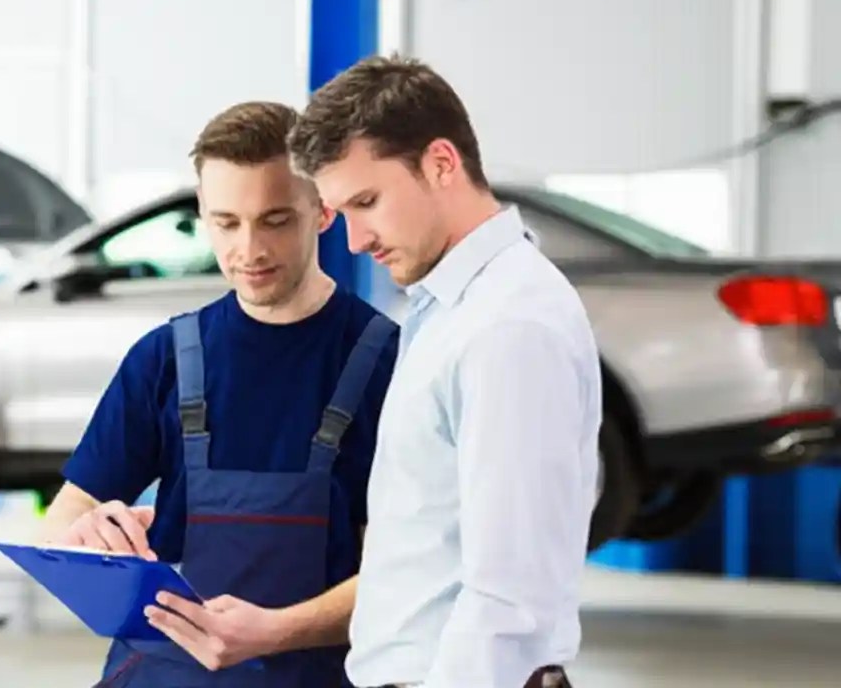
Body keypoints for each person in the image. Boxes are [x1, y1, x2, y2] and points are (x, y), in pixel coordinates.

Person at [38, 100, 400, 687]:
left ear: (323, 210)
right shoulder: (165, 358)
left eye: (276, 220)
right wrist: (88, 538)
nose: (249, 250)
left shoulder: (387, 365)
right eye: (226, 222)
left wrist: (278, 630)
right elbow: (63, 518)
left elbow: (402, 574)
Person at [287, 55, 601, 688]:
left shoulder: (509, 327)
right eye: (341, 211)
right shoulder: (449, 309)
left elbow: (510, 593)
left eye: (367, 202)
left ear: (441, 164)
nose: (354, 240)